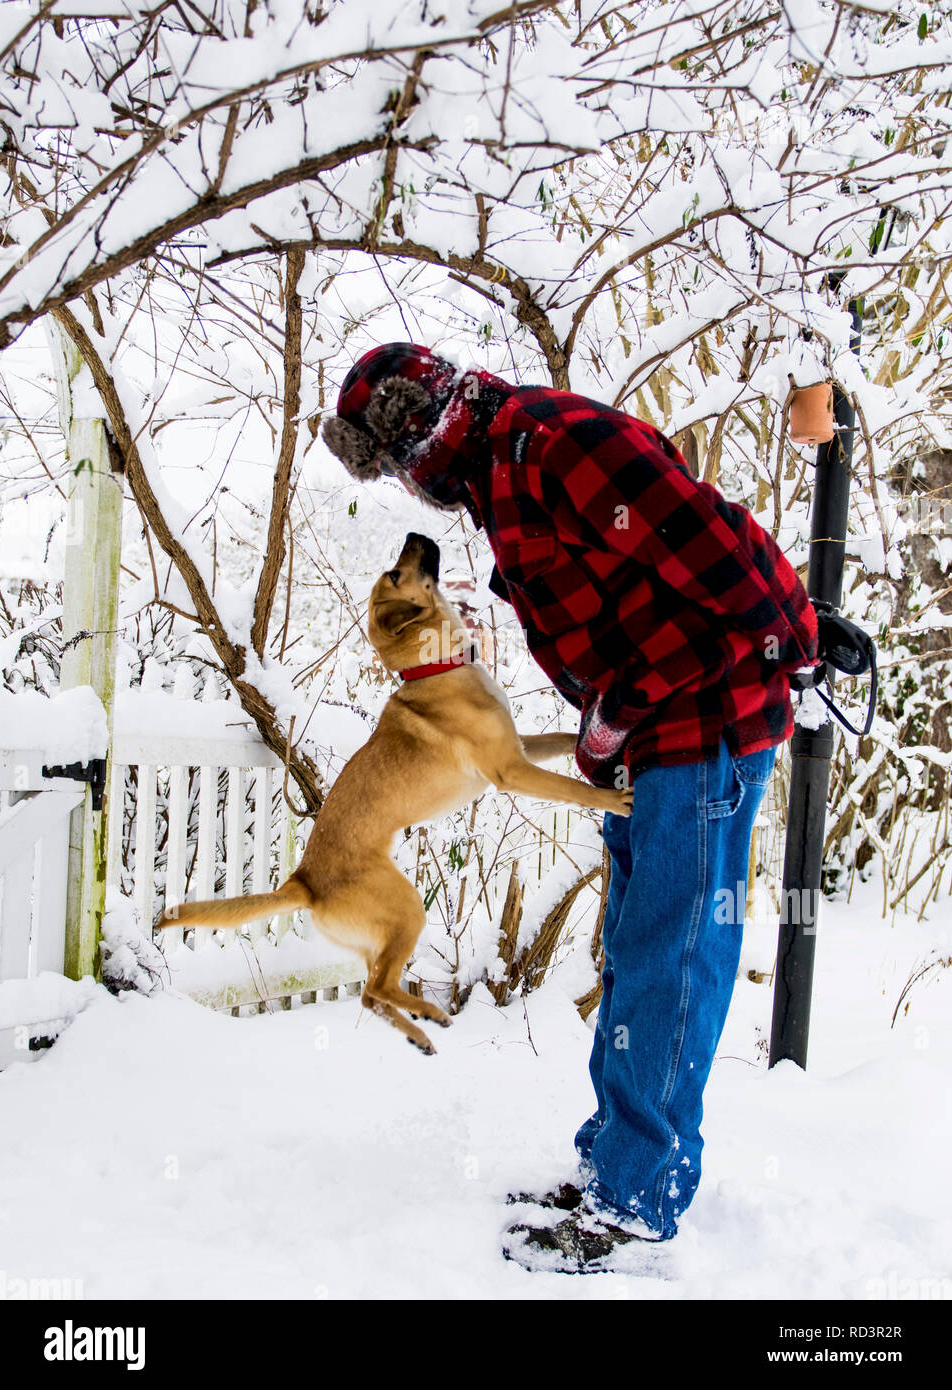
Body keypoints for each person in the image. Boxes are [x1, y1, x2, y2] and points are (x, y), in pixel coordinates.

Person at [321, 342, 819, 1273]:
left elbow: (716, 545)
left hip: (700, 725)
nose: (404, 484)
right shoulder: (500, 476)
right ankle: (613, 1169)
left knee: (672, 954)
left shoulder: (551, 444)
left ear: (421, 429)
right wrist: (610, 719)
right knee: (635, 947)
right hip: (646, 737)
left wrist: (789, 637)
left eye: (395, 462)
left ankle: (636, 1203)